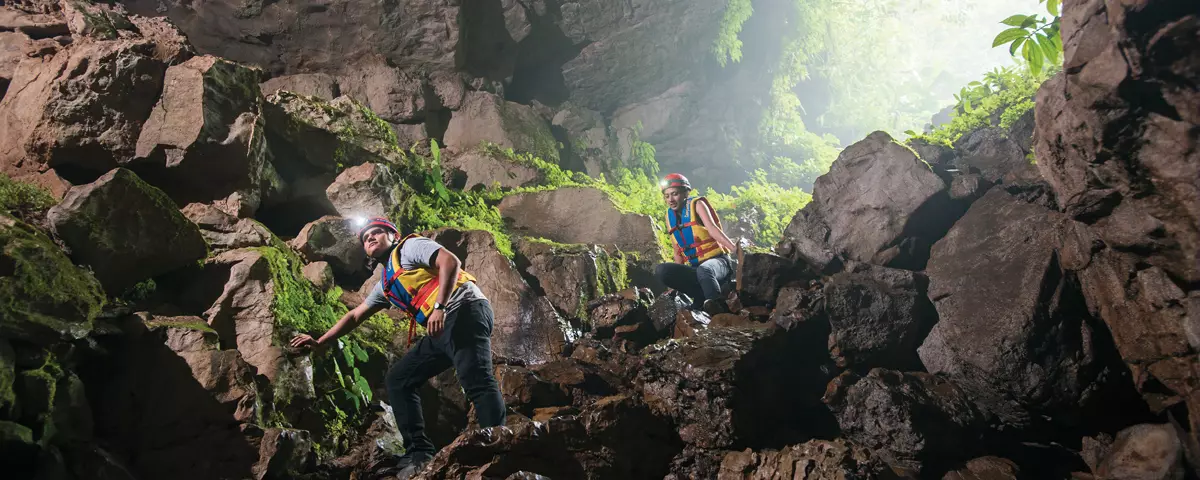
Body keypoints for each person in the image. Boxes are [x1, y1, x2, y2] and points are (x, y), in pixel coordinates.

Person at [289, 217, 505, 478]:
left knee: (476, 379)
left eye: (377, 232)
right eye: (366, 237)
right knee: (399, 379)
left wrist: (440, 307)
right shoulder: (387, 284)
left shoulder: (409, 248)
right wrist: (320, 341)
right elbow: (355, 315)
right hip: (441, 328)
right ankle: (419, 453)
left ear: (393, 235)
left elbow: (450, 261)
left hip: (463, 309)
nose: (370, 237)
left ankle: (496, 449)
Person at [654, 173, 739, 314]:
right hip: (696, 269)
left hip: (718, 263)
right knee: (662, 270)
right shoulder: (669, 217)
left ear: (685, 193)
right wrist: (675, 284)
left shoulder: (697, 204)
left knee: (704, 270)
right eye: (667, 196)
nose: (671, 200)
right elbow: (677, 251)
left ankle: (717, 306)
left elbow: (712, 228)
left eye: (674, 194)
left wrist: (733, 248)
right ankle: (700, 297)